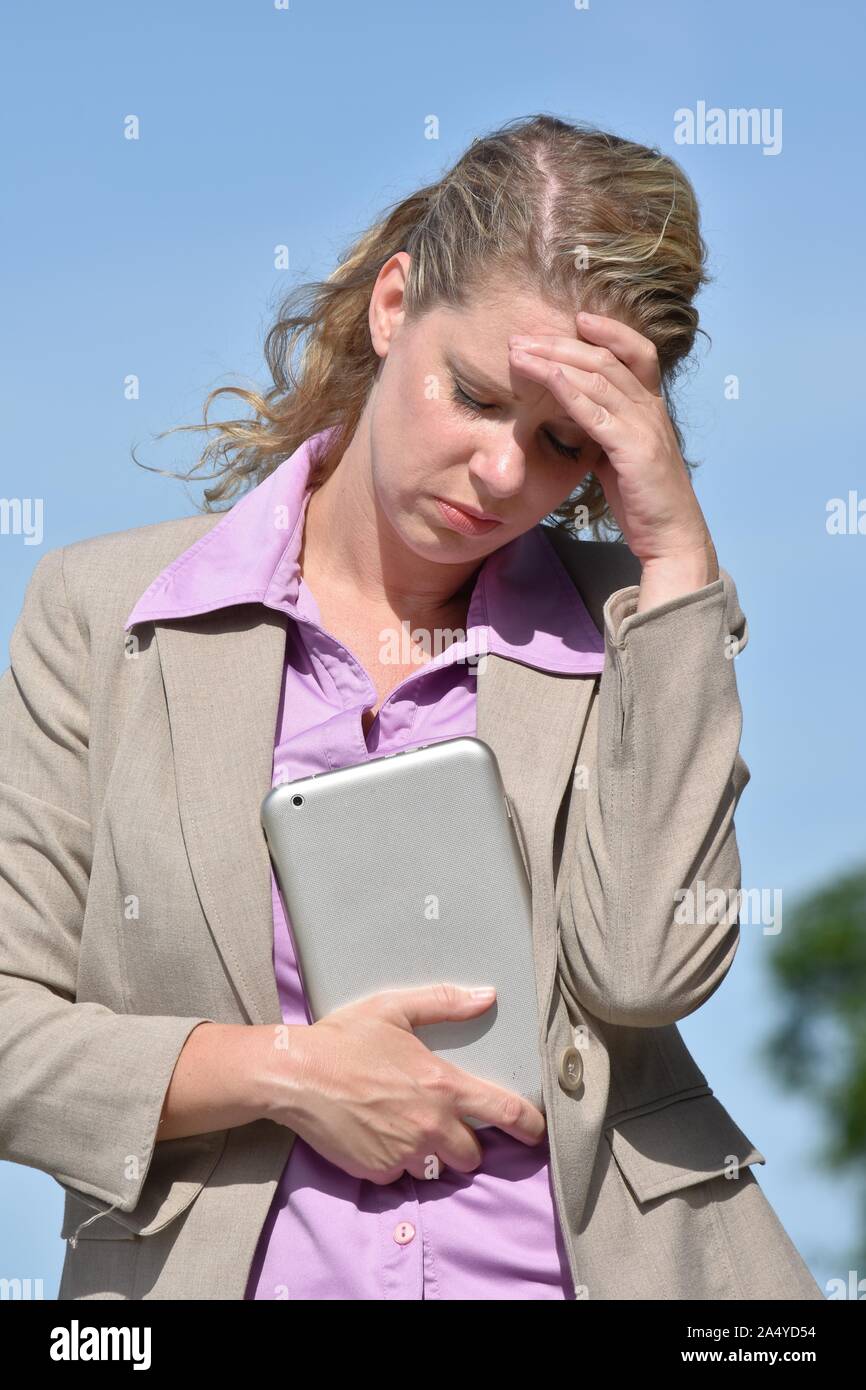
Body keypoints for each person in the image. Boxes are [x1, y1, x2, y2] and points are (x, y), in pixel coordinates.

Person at [0, 114, 823, 1300]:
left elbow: (646, 976)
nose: (503, 474)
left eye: (561, 443)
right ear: (394, 306)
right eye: (474, 397)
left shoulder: (637, 632)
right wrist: (287, 1072)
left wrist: (677, 562)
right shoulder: (102, 608)